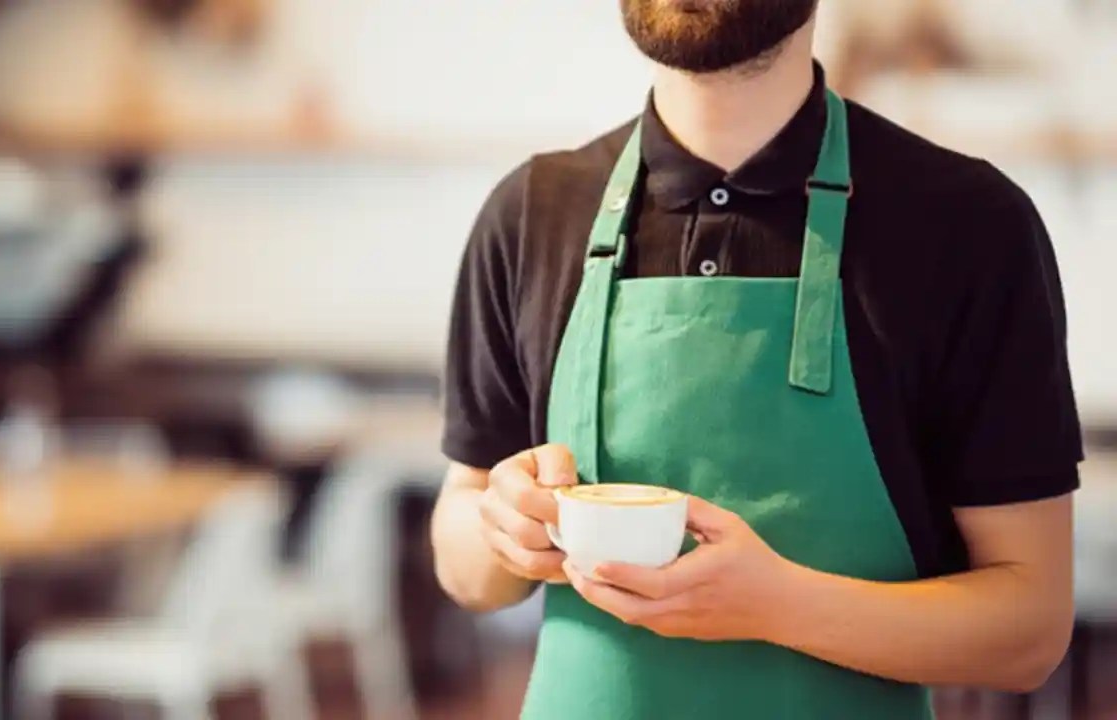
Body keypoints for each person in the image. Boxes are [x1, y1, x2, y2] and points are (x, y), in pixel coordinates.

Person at [429, 1, 1081, 718]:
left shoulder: (969, 227)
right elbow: (463, 558)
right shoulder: (530, 214)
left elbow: (1030, 630)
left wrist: (779, 606)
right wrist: (502, 530)